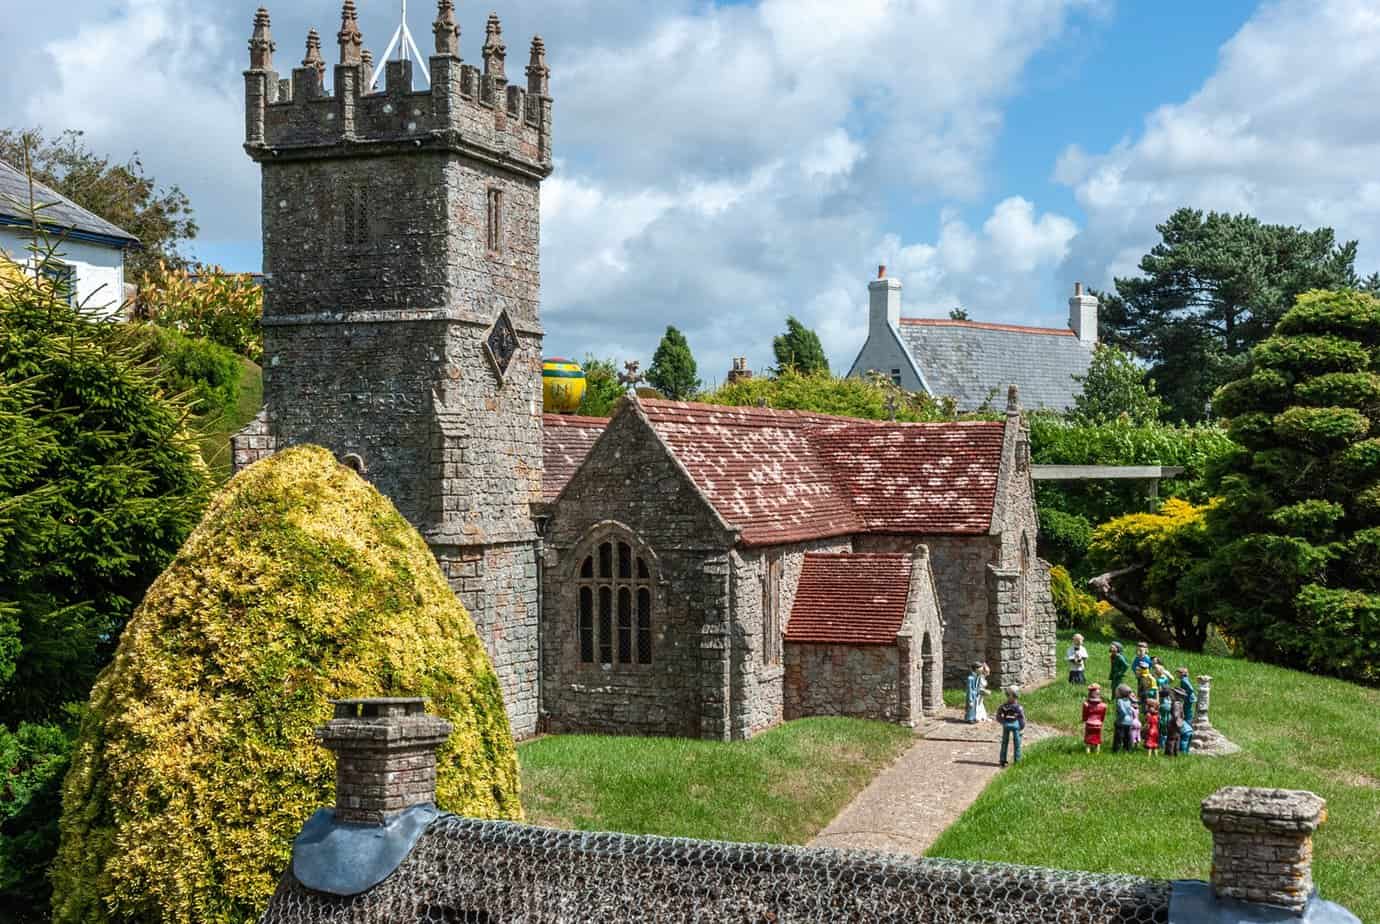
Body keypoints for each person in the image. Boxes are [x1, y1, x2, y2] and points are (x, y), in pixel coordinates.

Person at [995, 686, 1026, 767]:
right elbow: (1022, 718)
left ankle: (1003, 759)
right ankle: (1017, 760)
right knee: (1017, 743)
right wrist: (1022, 727)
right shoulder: (1018, 707)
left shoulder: (1003, 706)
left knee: (1005, 742)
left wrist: (1003, 721)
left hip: (1007, 725)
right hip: (1015, 725)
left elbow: (998, 716)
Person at [1082, 684, 1107, 754]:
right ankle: (1097, 752)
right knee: (1098, 739)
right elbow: (1102, 717)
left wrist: (1085, 720)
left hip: (1089, 723)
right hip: (1098, 724)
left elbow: (1084, 716)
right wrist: (1101, 721)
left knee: (1088, 740)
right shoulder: (1103, 705)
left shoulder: (1086, 704)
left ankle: (1088, 752)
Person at [1111, 684, 1136, 753]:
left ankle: (1116, 749)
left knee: (1118, 736)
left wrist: (1119, 719)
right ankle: (1127, 749)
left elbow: (1122, 711)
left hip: (1122, 721)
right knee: (1127, 736)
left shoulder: (1119, 701)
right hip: (1129, 721)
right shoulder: (1129, 700)